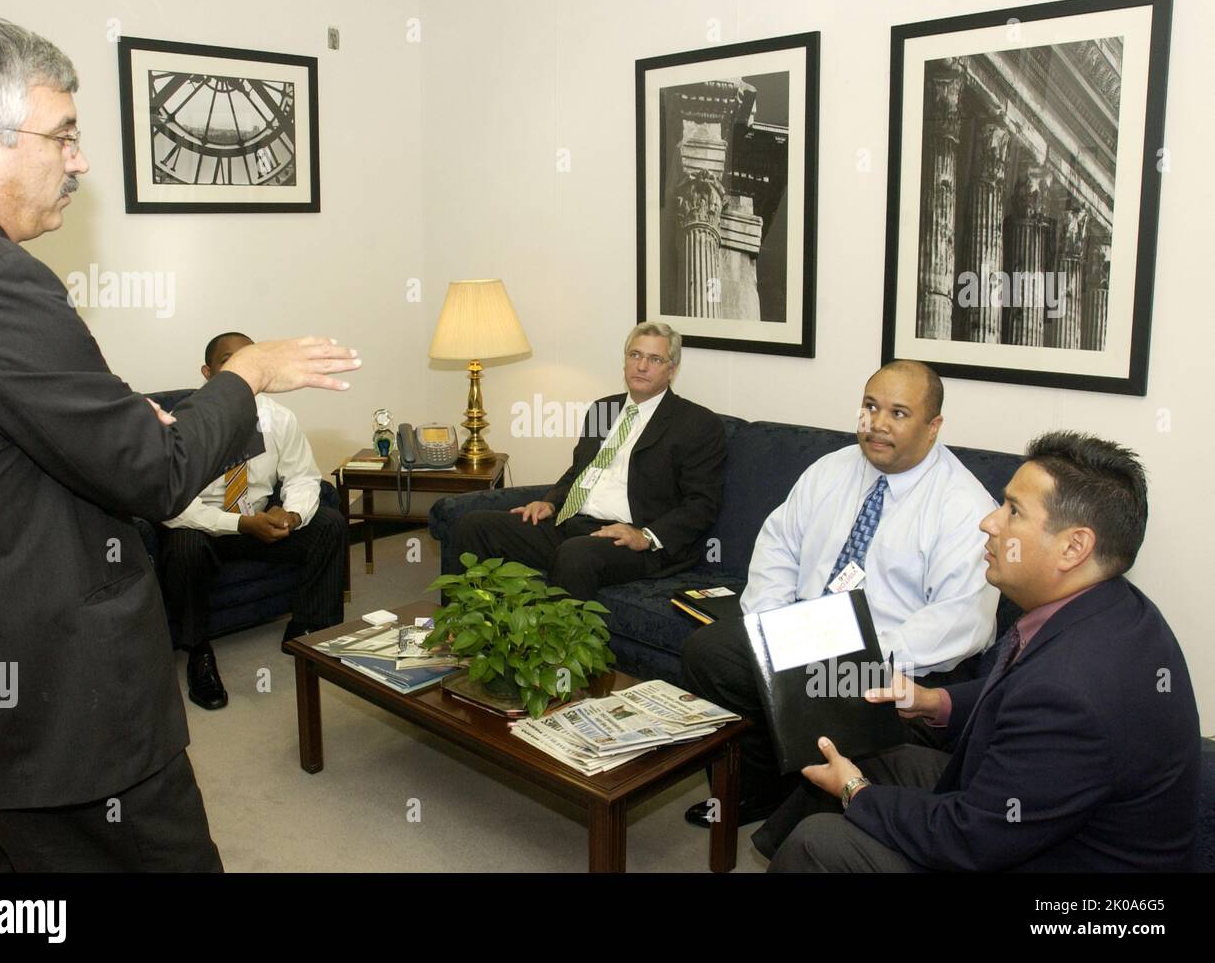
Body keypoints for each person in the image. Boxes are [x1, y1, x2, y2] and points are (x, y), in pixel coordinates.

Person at [0, 13, 361, 871]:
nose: (79, 160)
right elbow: (157, 477)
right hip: (63, 716)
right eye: (64, 135)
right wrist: (248, 377)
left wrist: (113, 426)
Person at [759, 432, 1200, 872]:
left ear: (1073, 547)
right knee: (876, 750)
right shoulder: (1112, 606)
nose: (989, 523)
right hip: (1024, 815)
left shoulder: (1072, 693)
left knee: (820, 843)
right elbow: (1017, 697)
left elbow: (970, 839)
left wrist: (854, 790)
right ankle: (771, 849)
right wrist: (936, 701)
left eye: (1013, 511)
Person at [681, 360, 999, 827]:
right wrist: (774, 632)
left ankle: (809, 803)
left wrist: (842, 659)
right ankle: (757, 789)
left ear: (933, 427)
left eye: (898, 413)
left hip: (897, 664)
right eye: (870, 407)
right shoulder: (832, 468)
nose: (877, 424)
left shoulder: (964, 507)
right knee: (708, 652)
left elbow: (957, 623)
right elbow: (777, 547)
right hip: (801, 629)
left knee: (826, 693)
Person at [451, 322, 726, 601]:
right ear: (624, 361)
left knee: (575, 555)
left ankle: (560, 645)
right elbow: (578, 471)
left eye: (654, 359)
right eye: (634, 355)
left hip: (629, 540)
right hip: (572, 524)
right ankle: (462, 632)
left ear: (672, 369)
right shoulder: (603, 409)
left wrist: (645, 535)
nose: (641, 366)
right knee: (472, 526)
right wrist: (550, 502)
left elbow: (702, 504)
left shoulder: (697, 424)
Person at [158, 332, 347, 710]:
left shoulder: (278, 417)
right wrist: (241, 525)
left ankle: (308, 630)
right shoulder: (182, 423)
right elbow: (172, 505)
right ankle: (199, 654)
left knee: (328, 522)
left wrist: (291, 514)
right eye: (229, 361)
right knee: (183, 543)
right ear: (209, 372)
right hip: (203, 527)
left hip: (256, 522)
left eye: (250, 358)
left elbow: (302, 477)